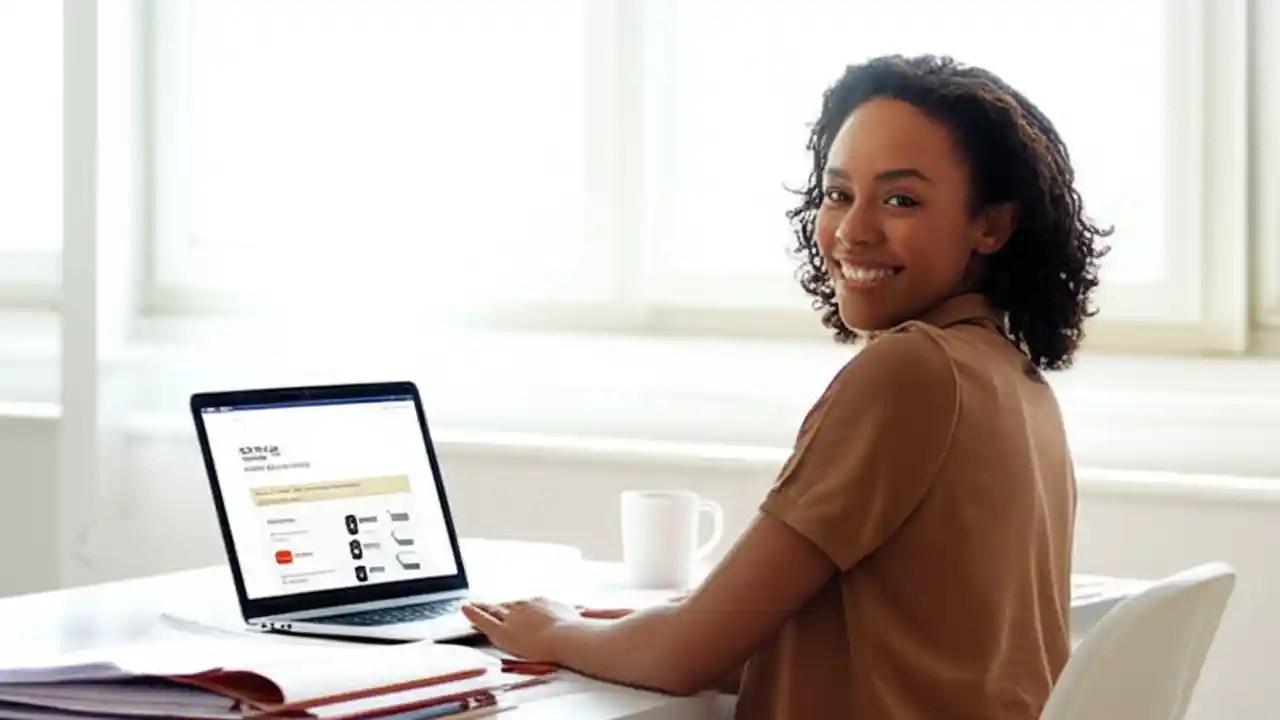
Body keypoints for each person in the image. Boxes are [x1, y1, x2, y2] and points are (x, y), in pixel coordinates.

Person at [461, 54, 1109, 719]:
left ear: (991, 225)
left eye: (900, 200)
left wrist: (557, 632)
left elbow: (684, 657)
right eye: (839, 194)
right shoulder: (1014, 379)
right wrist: (636, 631)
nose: (853, 231)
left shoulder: (914, 372)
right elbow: (867, 643)